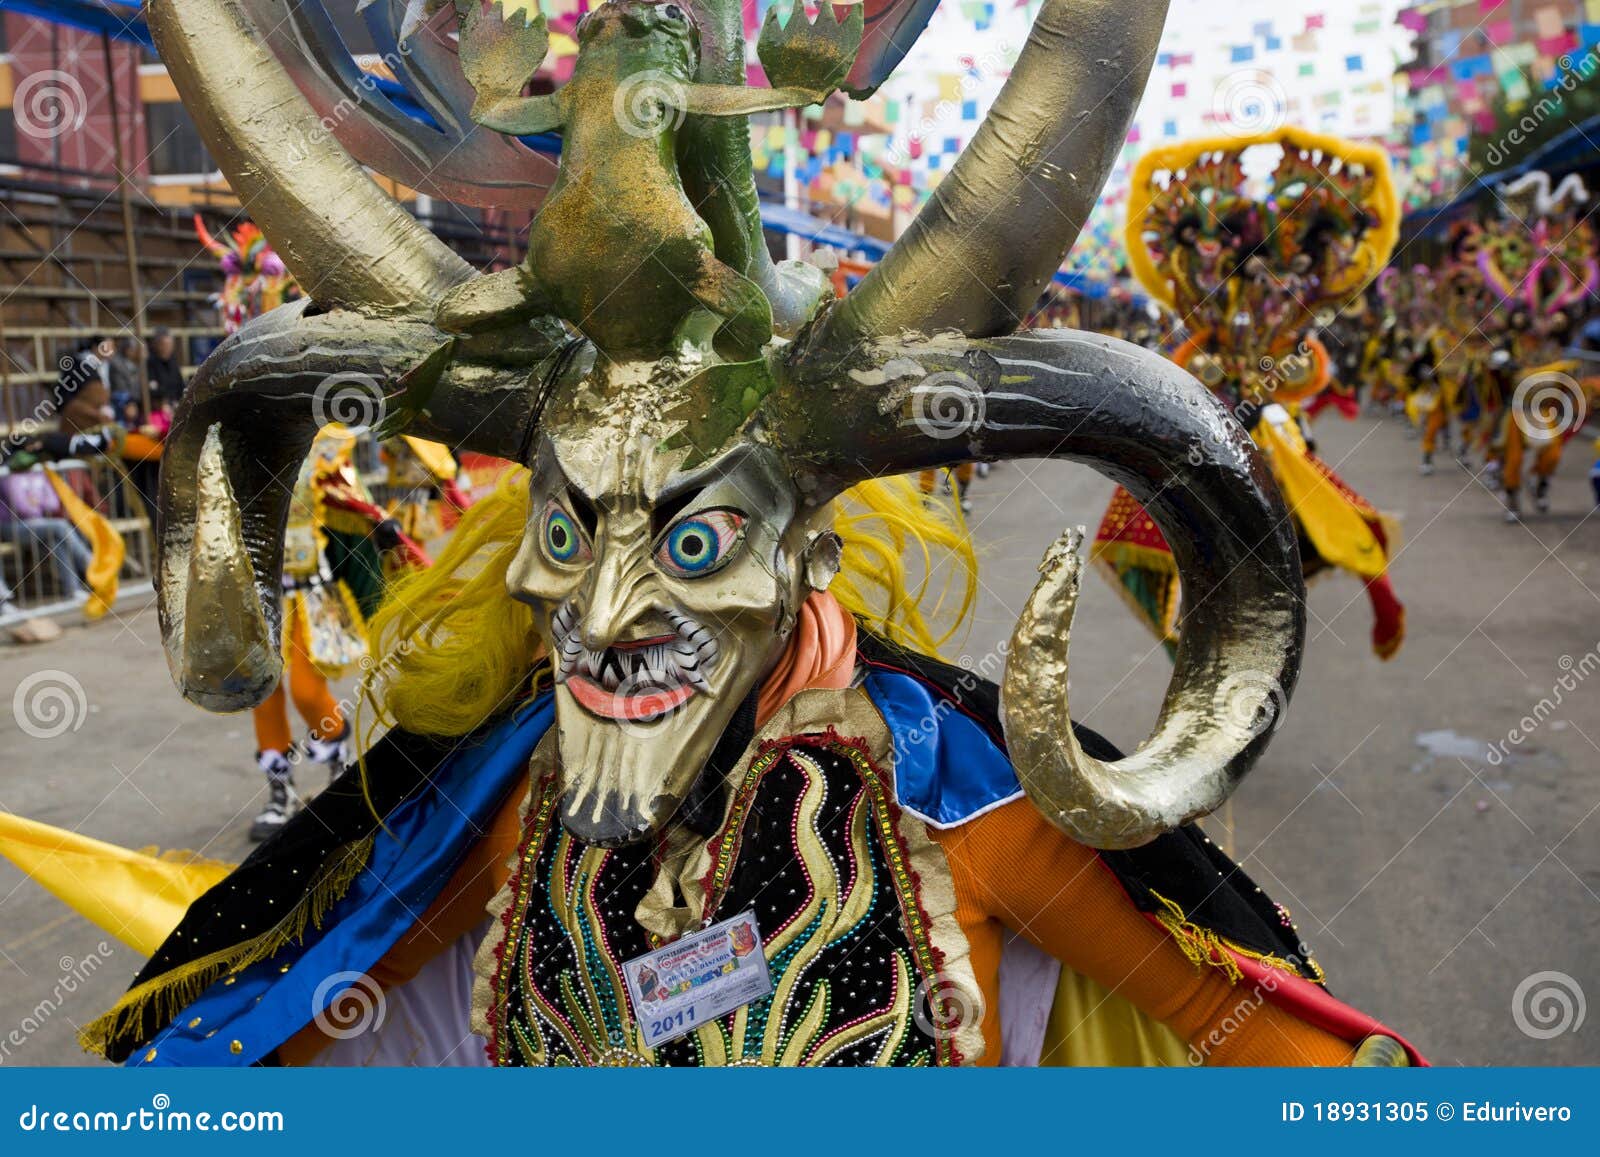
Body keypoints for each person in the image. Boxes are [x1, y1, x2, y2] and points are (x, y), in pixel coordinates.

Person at [2, 0, 1419, 1070]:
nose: (605, 610)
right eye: (569, 530)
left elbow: (1265, 1053)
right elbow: (277, 1033)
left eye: (690, 542)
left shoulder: (956, 818)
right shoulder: (510, 809)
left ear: (797, 542)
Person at [146, 328, 187, 404]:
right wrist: (163, 402)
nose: (167, 348)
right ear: (156, 345)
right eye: (164, 345)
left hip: (176, 403)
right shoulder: (150, 363)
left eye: (170, 345)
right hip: (159, 405)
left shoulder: (173, 362)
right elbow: (152, 389)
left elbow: (181, 386)